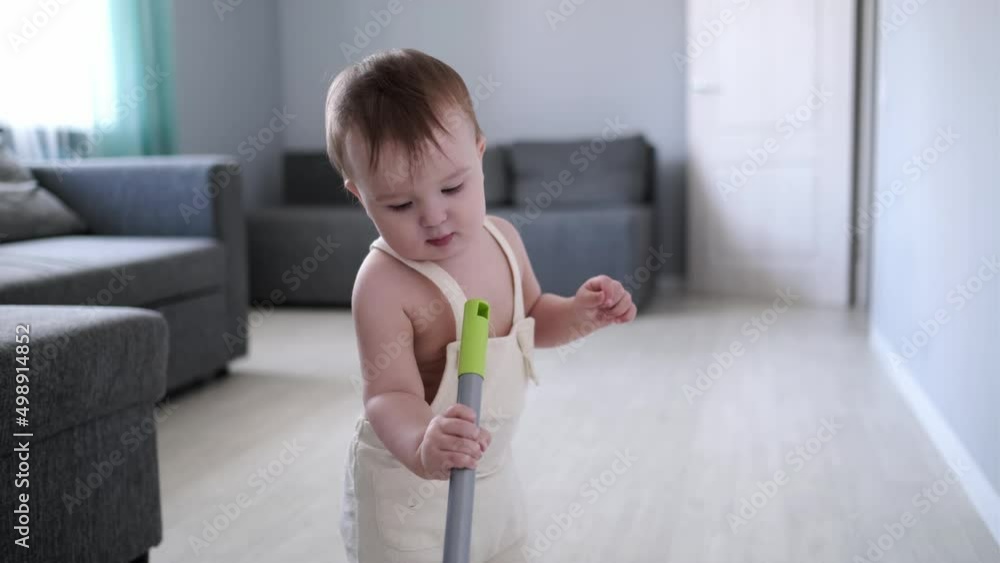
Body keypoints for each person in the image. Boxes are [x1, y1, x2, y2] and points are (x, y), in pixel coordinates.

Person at [325, 48, 637, 563]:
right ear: (360, 195)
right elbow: (387, 395)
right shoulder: (383, 285)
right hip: (410, 492)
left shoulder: (504, 240)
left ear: (479, 154)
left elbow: (534, 313)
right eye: (400, 204)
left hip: (493, 479)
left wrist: (581, 313)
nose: (434, 216)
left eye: (453, 186)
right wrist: (423, 442)